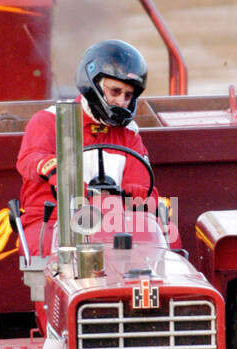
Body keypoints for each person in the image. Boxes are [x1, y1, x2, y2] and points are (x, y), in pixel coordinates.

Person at [17, 41, 157, 255]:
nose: (121, 101)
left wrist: (129, 200)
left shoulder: (130, 133)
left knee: (164, 238)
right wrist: (57, 171)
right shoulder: (49, 120)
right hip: (52, 219)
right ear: (94, 84)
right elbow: (30, 159)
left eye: (128, 96)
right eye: (115, 91)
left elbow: (144, 189)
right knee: (58, 250)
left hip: (113, 221)